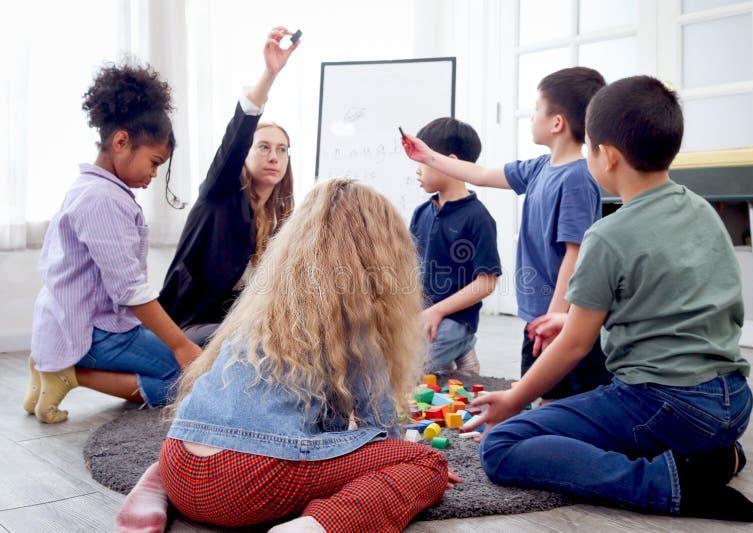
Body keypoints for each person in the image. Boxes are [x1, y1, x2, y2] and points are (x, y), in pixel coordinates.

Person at [463, 76, 753, 522]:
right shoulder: (701, 209)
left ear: (608, 156)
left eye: (590, 150)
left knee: (502, 446)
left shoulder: (608, 234)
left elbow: (576, 347)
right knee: (614, 416)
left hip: (664, 404)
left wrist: (513, 398)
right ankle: (718, 457)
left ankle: (664, 485)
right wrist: (573, 319)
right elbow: (677, 300)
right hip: (733, 404)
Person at [118, 178, 459, 532]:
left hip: (178, 463)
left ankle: (153, 490)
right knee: (426, 462)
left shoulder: (262, 308)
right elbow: (379, 425)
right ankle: (316, 525)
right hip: (244, 488)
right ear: (381, 254)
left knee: (225, 436)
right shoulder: (356, 318)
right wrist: (400, 454)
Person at [402, 67, 611, 401]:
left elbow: (577, 252)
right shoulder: (539, 168)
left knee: (558, 398)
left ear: (556, 122)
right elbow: (482, 174)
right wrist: (428, 156)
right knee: (542, 392)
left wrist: (556, 316)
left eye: (536, 109)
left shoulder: (575, 178)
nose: (530, 117)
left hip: (559, 319)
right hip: (539, 316)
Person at [23, 61, 202, 424]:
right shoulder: (103, 200)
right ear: (122, 141)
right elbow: (130, 291)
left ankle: (46, 368)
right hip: (94, 333)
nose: (154, 175)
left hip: (73, 322)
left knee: (180, 358)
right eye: (154, 163)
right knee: (187, 379)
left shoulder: (91, 189)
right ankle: (67, 374)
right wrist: (181, 345)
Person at [159, 26, 298, 347]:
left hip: (235, 324)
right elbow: (236, 136)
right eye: (263, 147)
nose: (273, 156)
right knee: (256, 341)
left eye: (281, 150)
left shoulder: (279, 220)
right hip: (191, 326)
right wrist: (269, 74)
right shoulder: (219, 196)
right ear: (245, 155)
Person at [408, 117, 501, 376]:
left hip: (455, 319)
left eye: (423, 162)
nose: (417, 170)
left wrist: (437, 311)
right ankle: (458, 351)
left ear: (450, 162)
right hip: (422, 315)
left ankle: (462, 342)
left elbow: (487, 282)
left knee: (408, 372)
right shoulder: (421, 213)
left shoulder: (478, 217)